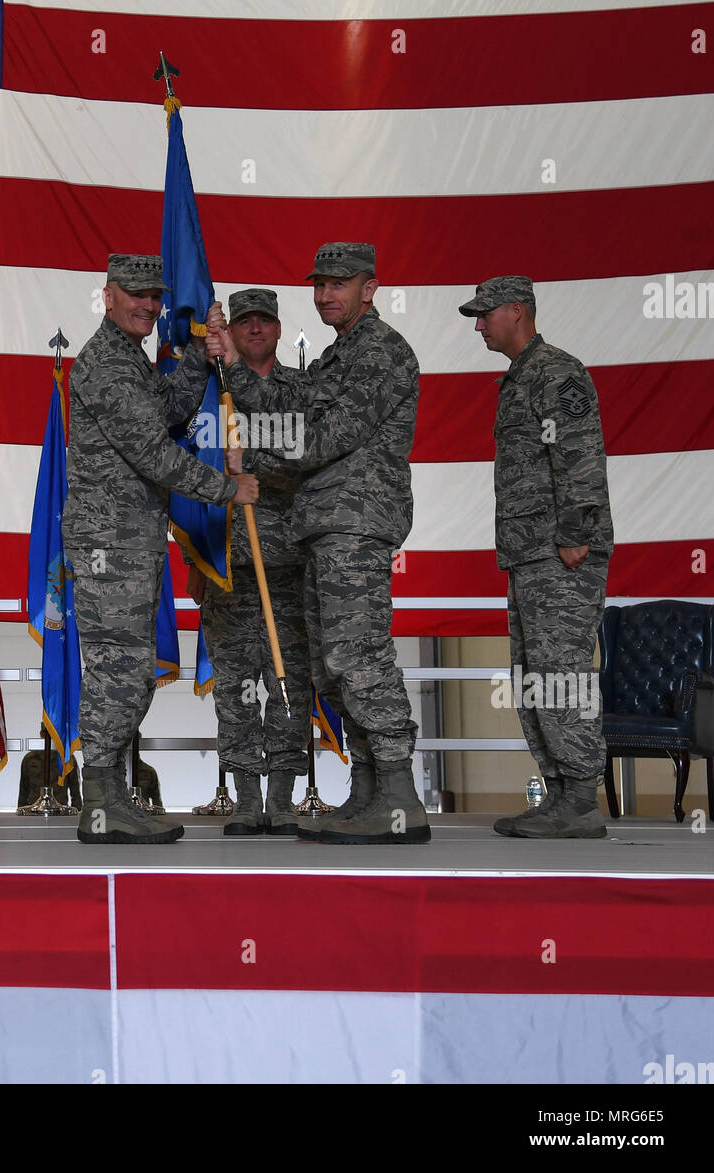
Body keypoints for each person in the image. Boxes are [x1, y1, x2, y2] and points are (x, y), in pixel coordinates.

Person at [211, 243, 428, 845]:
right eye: (320, 283)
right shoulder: (336, 358)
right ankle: (367, 789)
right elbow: (281, 412)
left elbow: (320, 437)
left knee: (359, 657)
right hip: (321, 527)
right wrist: (230, 364)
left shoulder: (381, 353)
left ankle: (398, 793)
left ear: (371, 287)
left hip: (355, 521)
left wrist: (245, 458)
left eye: (340, 283)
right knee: (332, 666)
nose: (327, 293)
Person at [62, 253, 259, 845]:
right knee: (119, 672)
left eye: (154, 295)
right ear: (108, 296)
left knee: (127, 670)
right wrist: (226, 488)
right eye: (135, 294)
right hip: (109, 545)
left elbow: (171, 412)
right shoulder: (103, 366)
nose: (147, 304)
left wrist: (202, 355)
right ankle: (100, 804)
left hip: (129, 541)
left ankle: (111, 797)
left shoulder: (129, 360)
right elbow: (153, 453)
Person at [459, 275, 613, 839]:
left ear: (516, 311)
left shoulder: (557, 372)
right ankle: (558, 794)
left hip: (559, 552)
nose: (478, 325)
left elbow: (580, 458)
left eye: (484, 314)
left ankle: (580, 801)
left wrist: (574, 534)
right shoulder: (520, 377)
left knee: (560, 672)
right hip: (531, 555)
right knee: (533, 674)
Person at [188, 289, 311, 836]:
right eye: (245, 322)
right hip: (226, 563)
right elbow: (186, 471)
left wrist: (250, 459)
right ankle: (244, 795)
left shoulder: (298, 390)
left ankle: (282, 795)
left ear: (280, 329)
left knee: (289, 682)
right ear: (231, 331)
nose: (256, 329)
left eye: (265, 321)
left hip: (284, 562)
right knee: (236, 686)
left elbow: (301, 457)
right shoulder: (207, 397)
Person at [17, 731, 81, 809]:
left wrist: (21, 811)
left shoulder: (29, 758)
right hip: (58, 810)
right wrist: (77, 811)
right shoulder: (66, 758)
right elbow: (75, 790)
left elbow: (23, 791)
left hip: (36, 810)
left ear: (41, 734)